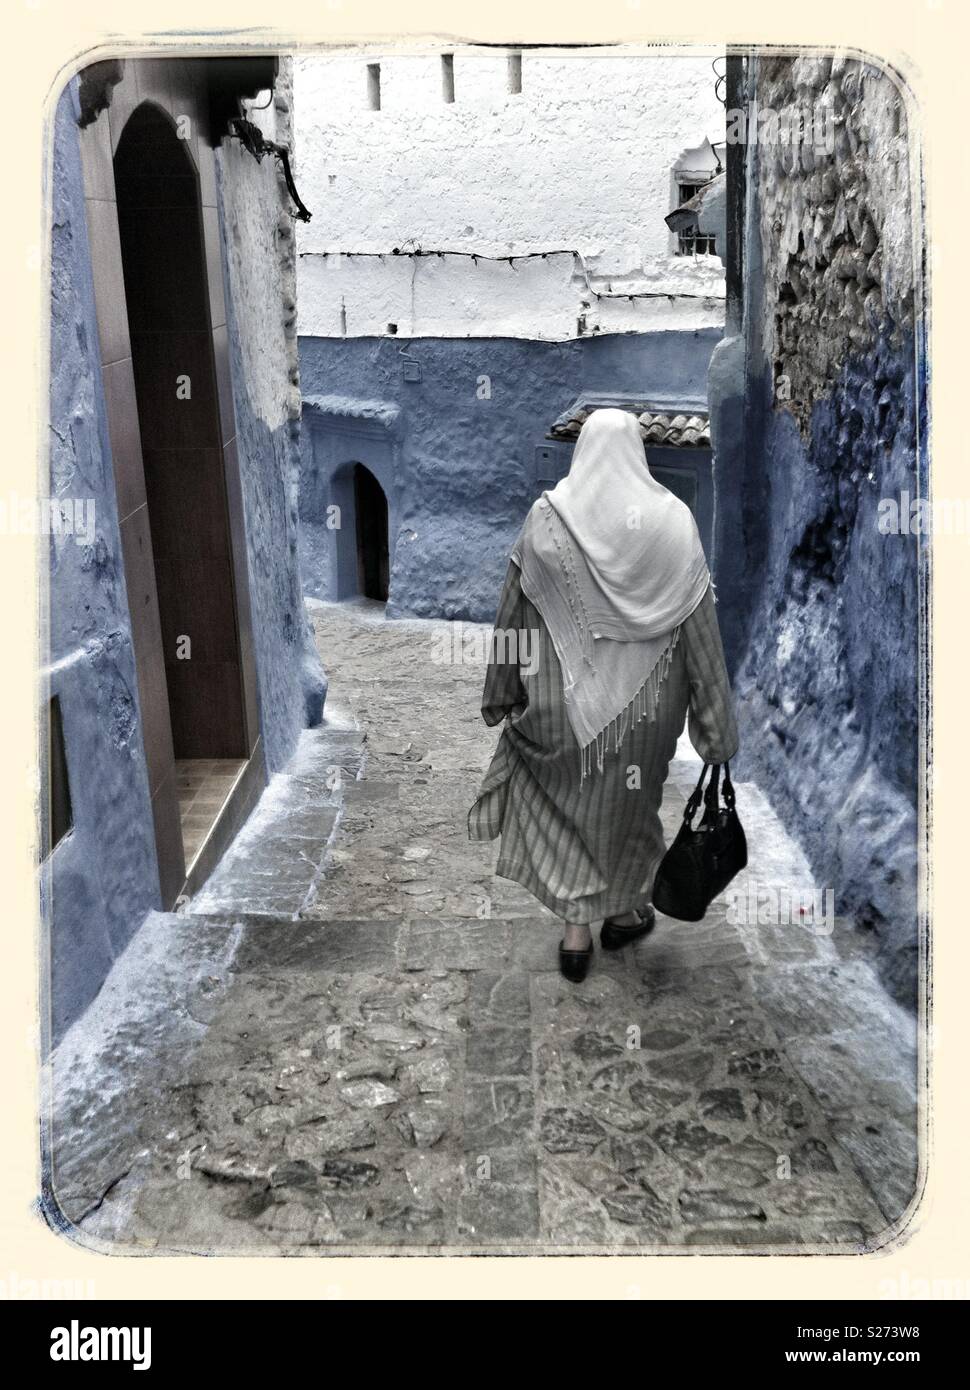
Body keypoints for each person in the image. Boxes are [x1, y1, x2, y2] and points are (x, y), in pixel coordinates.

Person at [468, 407, 738, 981]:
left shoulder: (545, 521)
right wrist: (715, 730)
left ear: (581, 452)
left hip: (555, 708)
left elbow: (513, 619)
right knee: (630, 810)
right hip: (646, 712)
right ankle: (623, 912)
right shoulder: (672, 522)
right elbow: (700, 631)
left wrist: (501, 694)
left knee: (562, 807)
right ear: (638, 454)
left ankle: (574, 935)